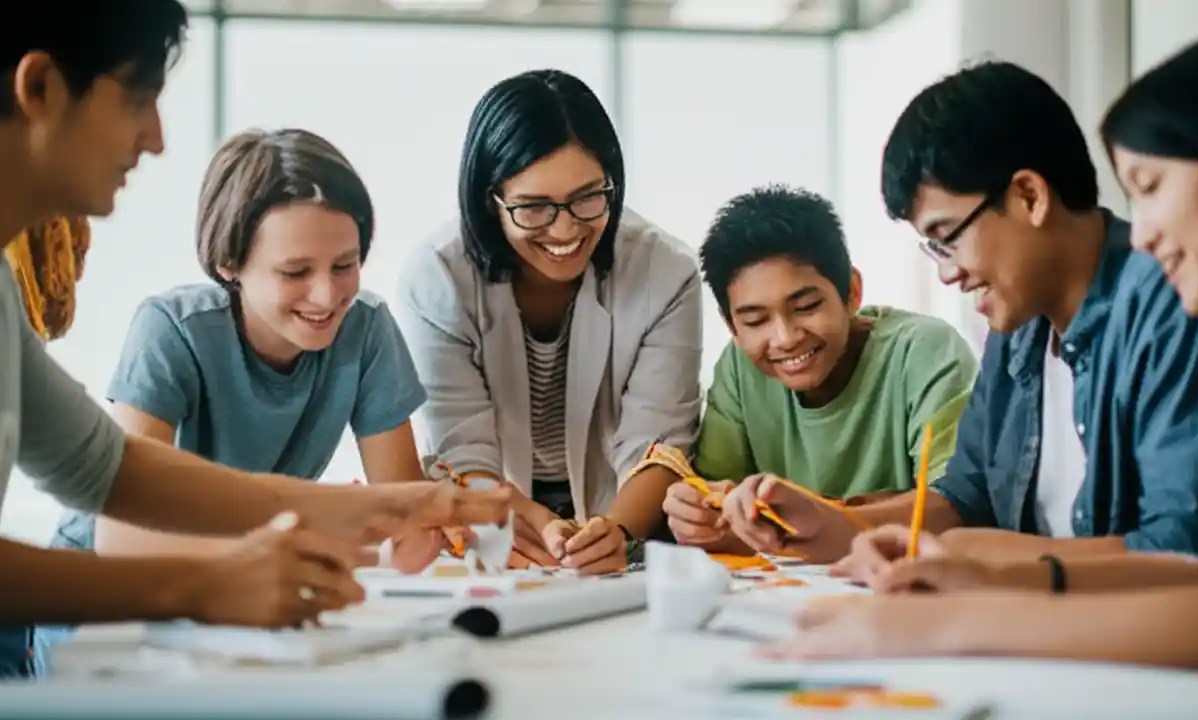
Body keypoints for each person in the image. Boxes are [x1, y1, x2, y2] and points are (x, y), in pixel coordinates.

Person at [0, 0, 508, 678]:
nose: (156, 138)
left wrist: (400, 502)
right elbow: (113, 519)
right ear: (40, 88)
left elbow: (104, 468)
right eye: (138, 99)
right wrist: (211, 579)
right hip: (92, 627)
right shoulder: (176, 328)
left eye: (343, 265)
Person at [763, 30, 1198, 673]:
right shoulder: (1018, 327)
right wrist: (838, 524)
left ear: (1030, 196)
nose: (1144, 235)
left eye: (946, 238)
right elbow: (967, 498)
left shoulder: (1178, 302)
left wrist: (975, 596)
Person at [34, 127, 448, 671]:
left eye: (345, 265)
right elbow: (123, 537)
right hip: (110, 597)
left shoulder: (365, 329)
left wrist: (396, 529)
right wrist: (300, 541)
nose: (327, 296)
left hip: (246, 592)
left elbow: (406, 517)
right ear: (230, 264)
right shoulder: (172, 330)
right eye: (295, 272)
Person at [397, 69, 700, 575]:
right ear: (489, 200)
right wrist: (527, 518)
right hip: (496, 512)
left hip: (626, 511)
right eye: (533, 208)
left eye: (588, 197)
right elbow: (464, 450)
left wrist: (618, 532)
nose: (565, 229)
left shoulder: (665, 271)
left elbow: (658, 441)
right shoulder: (437, 278)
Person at [663, 185, 977, 554]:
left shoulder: (925, 352)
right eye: (755, 320)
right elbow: (716, 493)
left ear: (852, 292)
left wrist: (819, 517)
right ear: (732, 327)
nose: (785, 338)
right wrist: (697, 513)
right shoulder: (739, 370)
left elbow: (956, 507)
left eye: (807, 306)